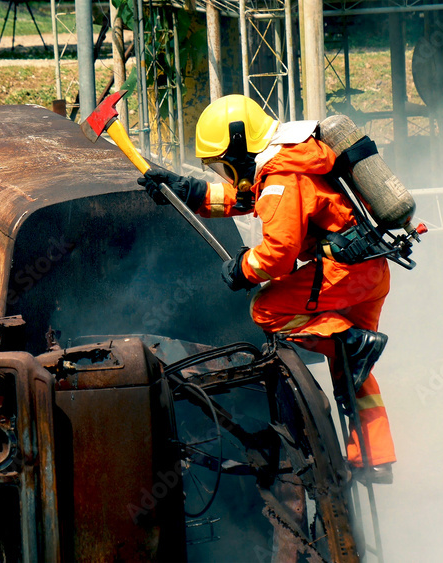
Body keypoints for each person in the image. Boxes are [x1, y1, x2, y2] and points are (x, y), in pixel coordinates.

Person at [138, 95, 395, 483]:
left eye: (224, 164)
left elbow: (277, 255)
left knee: (266, 308)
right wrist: (189, 191)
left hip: (346, 274)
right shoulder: (293, 158)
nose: (225, 173)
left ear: (239, 148)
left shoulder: (281, 178)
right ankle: (374, 456)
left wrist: (241, 269)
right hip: (367, 269)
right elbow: (248, 197)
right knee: (351, 370)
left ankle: (352, 340)